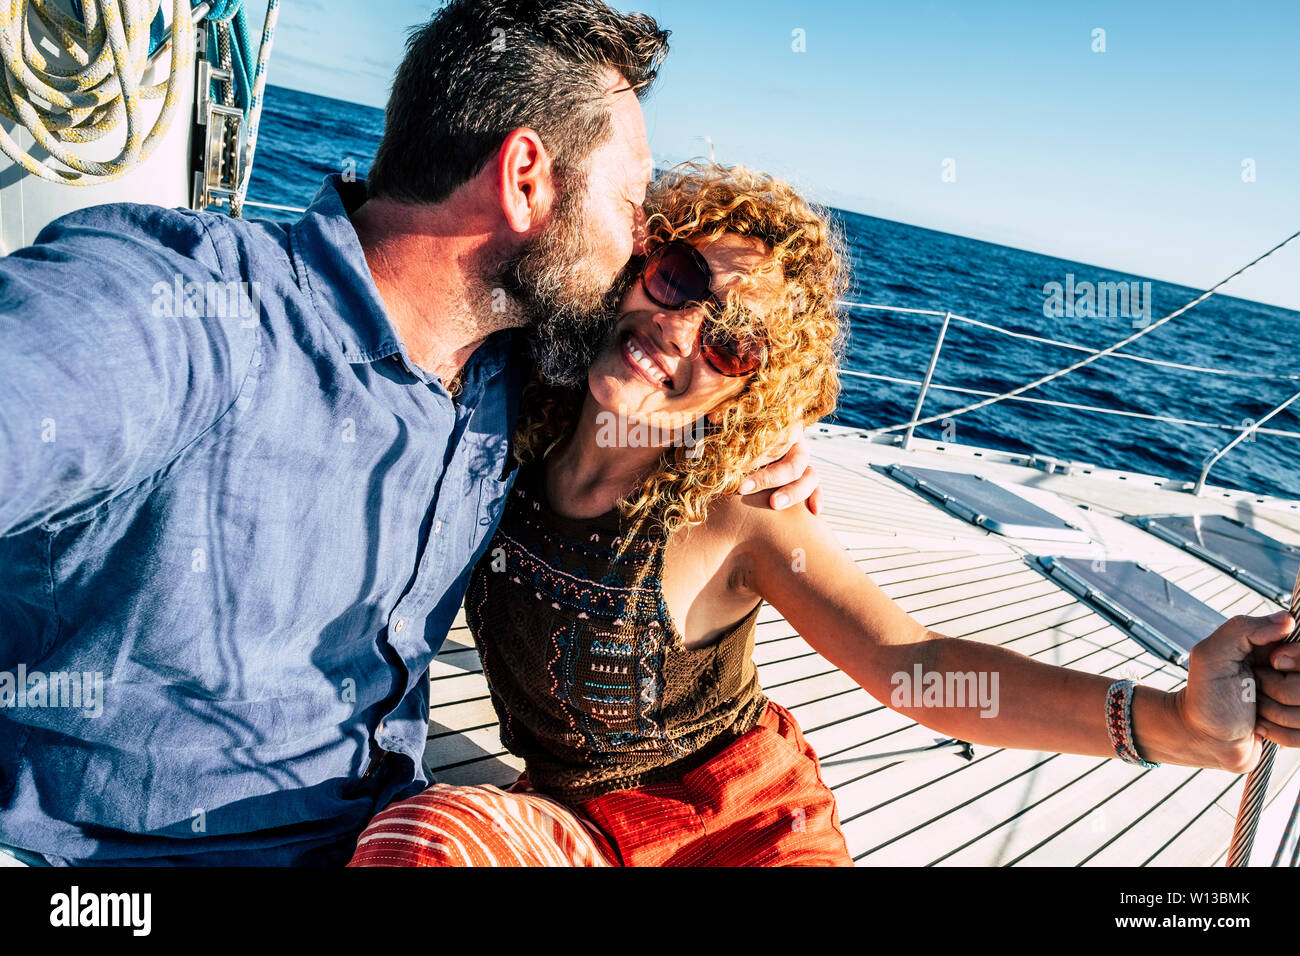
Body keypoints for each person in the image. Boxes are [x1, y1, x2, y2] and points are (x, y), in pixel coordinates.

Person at [0, 1, 817, 867]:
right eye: (631, 202)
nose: (642, 244)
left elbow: (674, 371)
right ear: (526, 182)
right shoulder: (186, 317)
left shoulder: (517, 372)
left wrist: (768, 430)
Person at [348, 162, 1300, 867]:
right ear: (636, 263)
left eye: (731, 346)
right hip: (574, 820)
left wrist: (1173, 721)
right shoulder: (506, 412)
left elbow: (914, 666)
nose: (679, 333)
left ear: (751, 397)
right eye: (678, 280)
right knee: (424, 841)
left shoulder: (739, 517)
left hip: (740, 829)